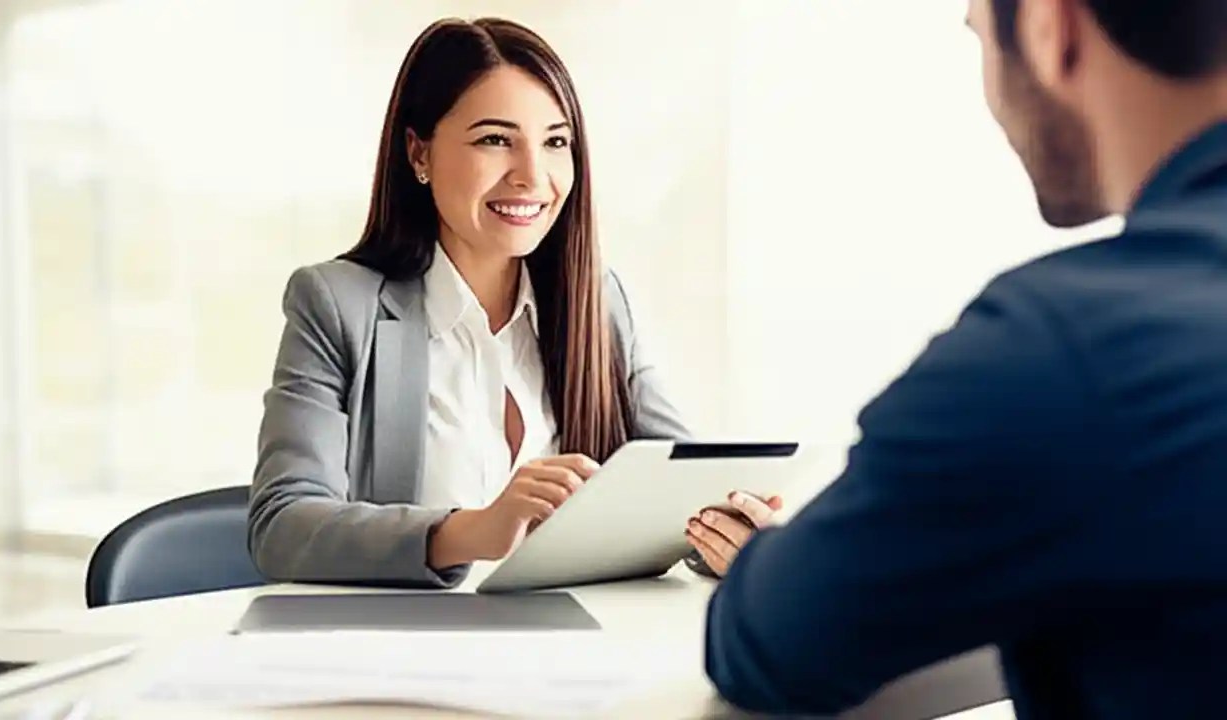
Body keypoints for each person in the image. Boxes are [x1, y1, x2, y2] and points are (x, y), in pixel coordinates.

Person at [704, 0, 1227, 717]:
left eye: (980, 36)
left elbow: (772, 641)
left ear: (1049, 27)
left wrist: (770, 560)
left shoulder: (1065, 348)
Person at [248, 17, 779, 588]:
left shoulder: (599, 303)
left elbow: (677, 486)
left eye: (555, 142)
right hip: (409, 636)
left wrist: (728, 532)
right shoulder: (337, 305)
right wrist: (472, 530)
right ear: (419, 152)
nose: (532, 175)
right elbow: (282, 526)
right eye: (495, 140)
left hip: (578, 632)